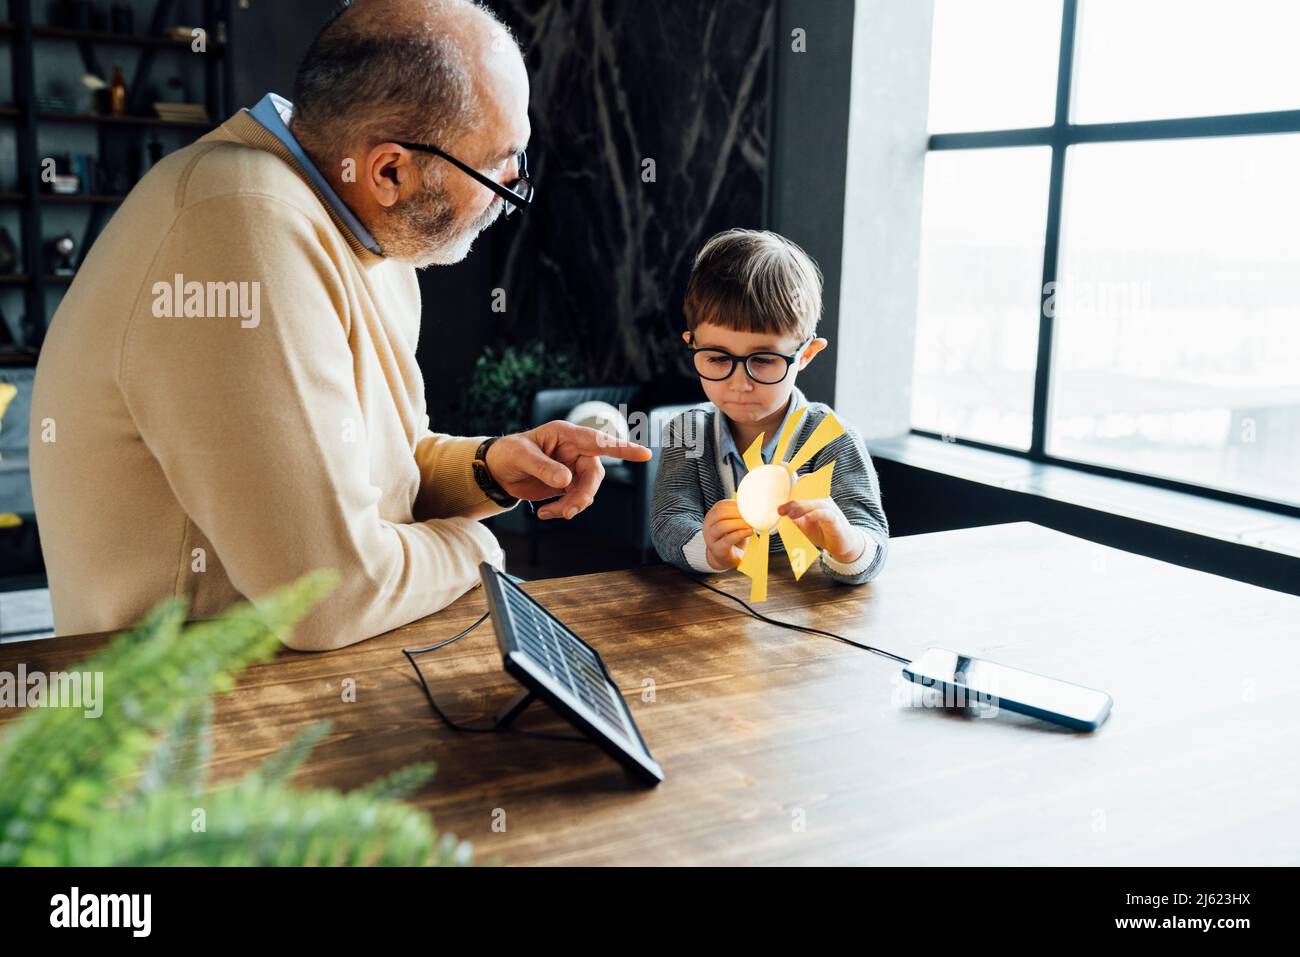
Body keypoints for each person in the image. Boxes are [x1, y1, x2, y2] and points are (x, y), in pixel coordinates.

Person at [30, 0, 649, 649]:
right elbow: (329, 595)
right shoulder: (240, 225)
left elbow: (382, 470)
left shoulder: (362, 231)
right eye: (497, 165)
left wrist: (491, 467)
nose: (510, 189)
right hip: (188, 724)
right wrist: (480, 547)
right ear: (388, 170)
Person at [650, 229, 888, 584]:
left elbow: (872, 539)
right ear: (692, 344)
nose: (739, 383)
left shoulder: (832, 438)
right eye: (716, 358)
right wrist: (709, 549)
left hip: (806, 615)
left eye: (763, 360)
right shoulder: (688, 432)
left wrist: (847, 545)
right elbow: (669, 521)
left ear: (805, 354)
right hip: (712, 615)